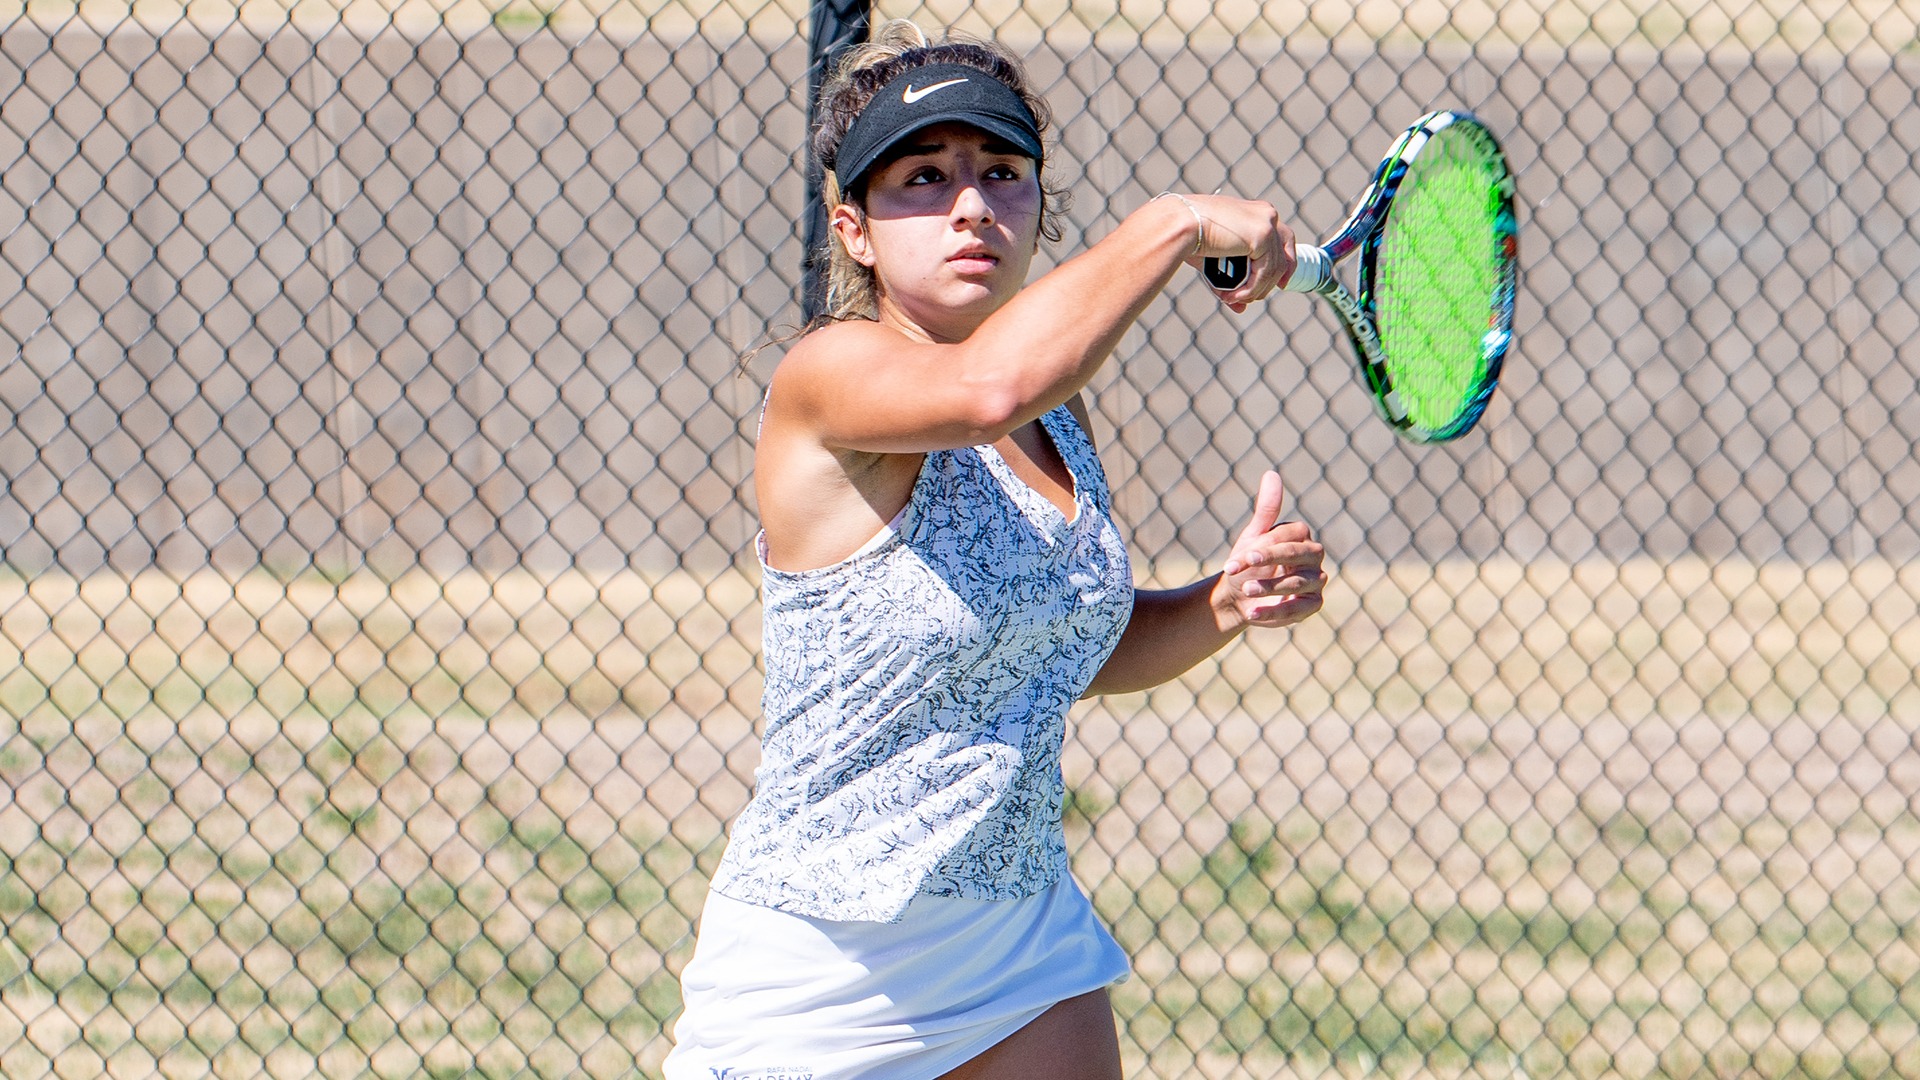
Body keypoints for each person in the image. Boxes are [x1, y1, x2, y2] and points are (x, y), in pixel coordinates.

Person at [664, 21, 1326, 1080]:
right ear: (857, 230)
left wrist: (1222, 603)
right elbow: (984, 391)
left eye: (1002, 172)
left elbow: (1053, 650)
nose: (971, 204)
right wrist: (1175, 221)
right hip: (826, 967)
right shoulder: (831, 377)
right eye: (924, 177)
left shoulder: (1056, 419)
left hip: (1018, 932)